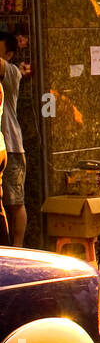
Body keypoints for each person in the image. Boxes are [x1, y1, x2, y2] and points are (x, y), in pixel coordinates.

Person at [0, 34, 27, 246]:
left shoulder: (11, 71)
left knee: (14, 202)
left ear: (9, 54)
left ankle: (18, 249)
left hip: (10, 147)